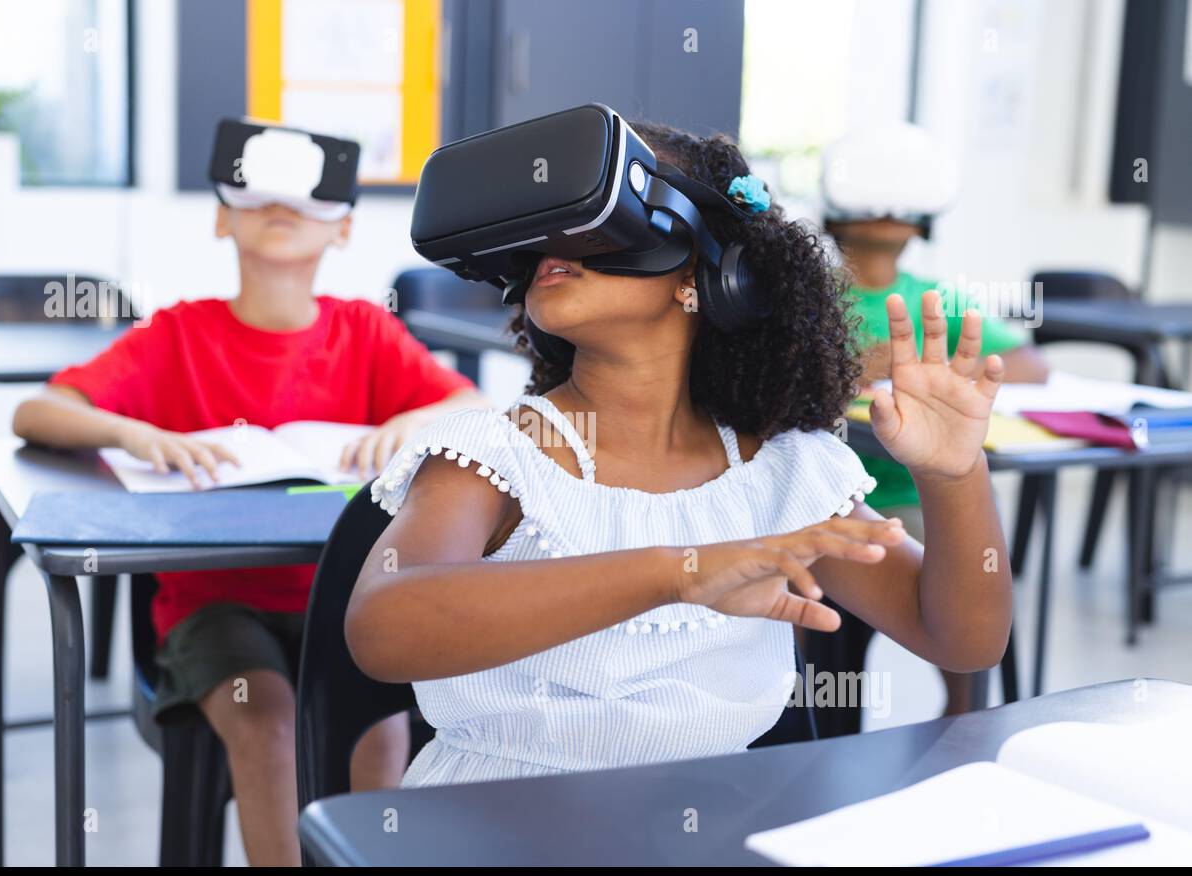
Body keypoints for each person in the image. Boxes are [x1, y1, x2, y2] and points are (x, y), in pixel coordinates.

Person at [343, 121, 1013, 787]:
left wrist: (954, 474)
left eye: (602, 214)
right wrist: (677, 573)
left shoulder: (779, 472)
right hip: (493, 817)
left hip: (710, 819)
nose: (556, 240)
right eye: (548, 223)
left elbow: (963, 638)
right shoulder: (495, 457)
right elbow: (383, 628)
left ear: (704, 271)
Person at [12, 120, 488, 864]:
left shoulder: (365, 331)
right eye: (259, 198)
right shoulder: (177, 335)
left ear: (343, 229)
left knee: (380, 727)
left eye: (302, 203)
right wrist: (133, 433)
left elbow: (470, 403)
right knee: (266, 721)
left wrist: (407, 421)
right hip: (212, 604)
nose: (280, 209)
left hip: (340, 595)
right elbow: (37, 412)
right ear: (221, 217)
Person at [814, 123, 1049, 725]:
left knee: (966, 575)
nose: (886, 212)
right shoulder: (811, 296)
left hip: (915, 497)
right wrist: (851, 368)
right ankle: (831, 725)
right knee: (826, 631)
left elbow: (1030, 365)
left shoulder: (937, 300)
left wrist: (935, 373)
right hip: (834, 495)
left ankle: (964, 714)